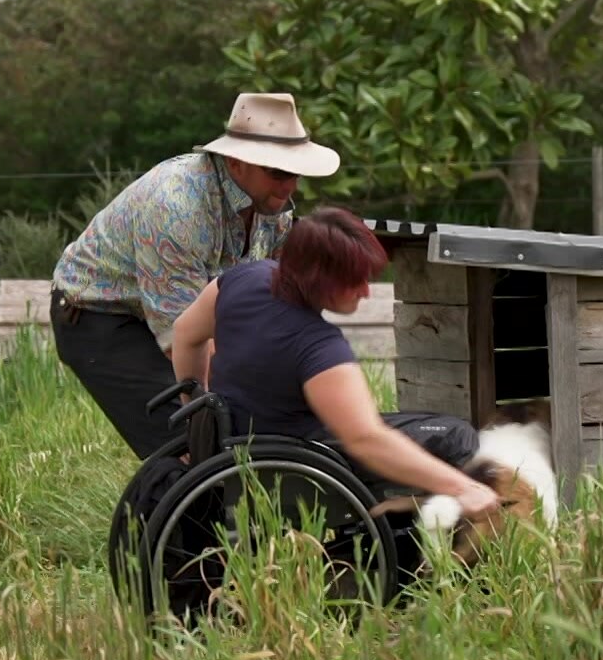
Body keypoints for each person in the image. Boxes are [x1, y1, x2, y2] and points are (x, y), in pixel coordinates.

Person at [50, 93, 338, 459]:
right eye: (279, 172)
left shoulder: (273, 208)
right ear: (237, 162)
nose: (290, 186)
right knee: (192, 448)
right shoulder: (176, 209)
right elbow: (185, 336)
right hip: (100, 317)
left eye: (296, 173)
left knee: (241, 426)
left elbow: (269, 305)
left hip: (173, 316)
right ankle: (180, 509)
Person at [169, 206, 501, 522]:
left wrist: (199, 416)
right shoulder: (317, 347)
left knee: (427, 423)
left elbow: (184, 333)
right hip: (298, 460)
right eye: (357, 281)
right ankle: (410, 534)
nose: (367, 292)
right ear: (321, 277)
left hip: (237, 443)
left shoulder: (242, 279)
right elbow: (365, 440)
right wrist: (465, 486)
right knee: (455, 435)